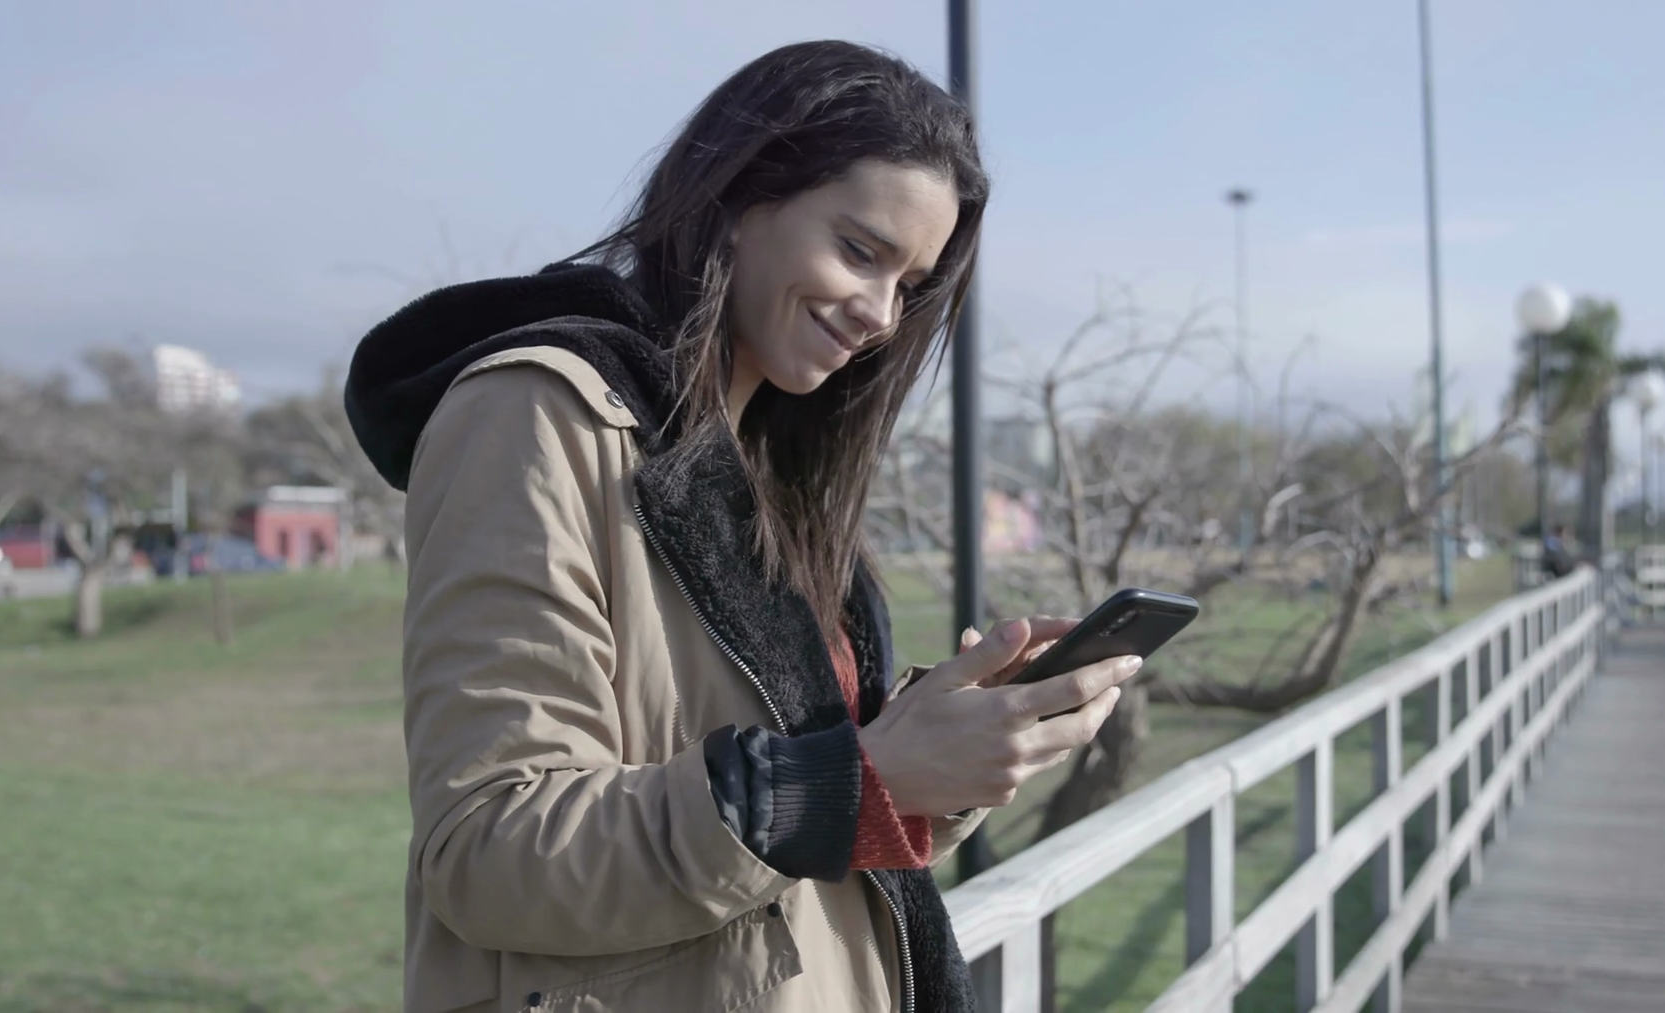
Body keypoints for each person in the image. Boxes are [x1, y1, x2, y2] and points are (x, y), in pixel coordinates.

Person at [344, 42, 1140, 1013]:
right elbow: (490, 849)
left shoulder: (774, 472)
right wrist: (860, 776)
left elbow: (820, 839)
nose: (882, 315)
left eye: (910, 284)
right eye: (860, 251)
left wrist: (947, 744)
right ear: (738, 195)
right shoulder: (534, 416)